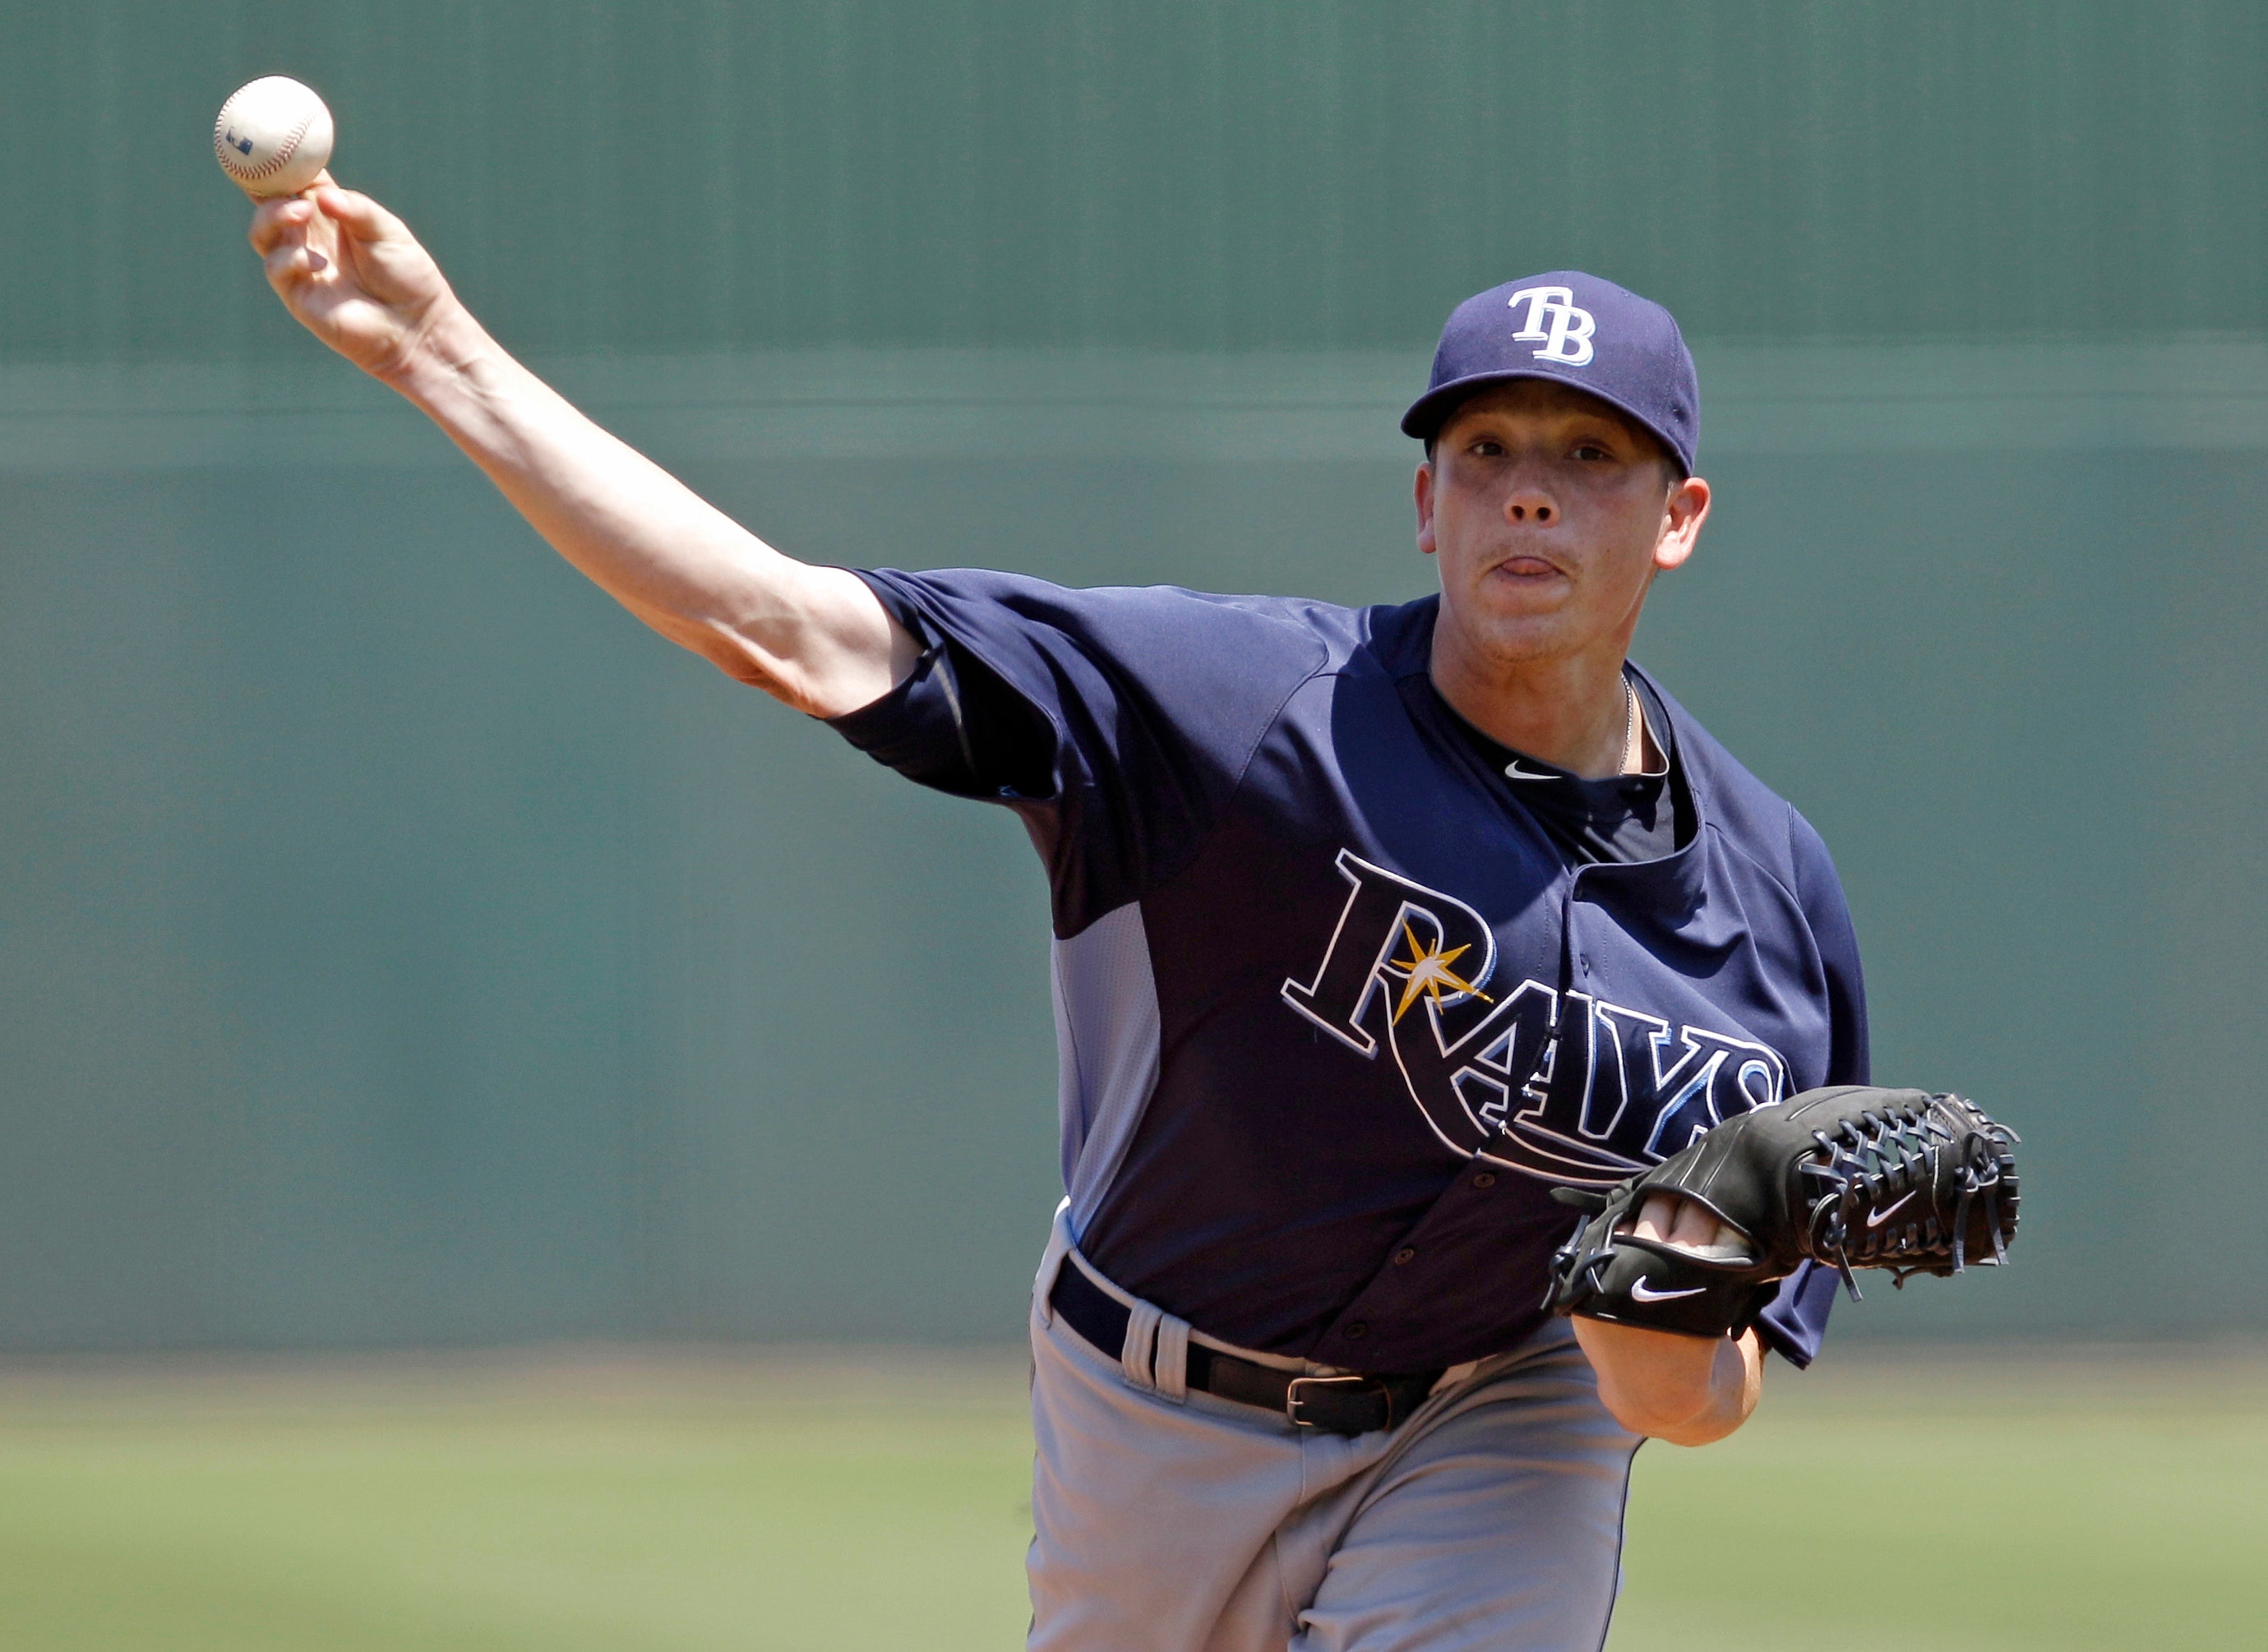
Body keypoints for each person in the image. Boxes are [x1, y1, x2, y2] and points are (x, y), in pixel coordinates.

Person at [248, 182, 1864, 1650]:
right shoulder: (1240, 714)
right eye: (1489, 452)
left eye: (1591, 457)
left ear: (1678, 516)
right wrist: (444, 354)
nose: (1531, 498)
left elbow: (1686, 1400)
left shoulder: (1769, 907)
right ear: (1423, 505)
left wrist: (1674, 1281)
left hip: (1506, 1408)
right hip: (1161, 1398)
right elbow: (786, 628)